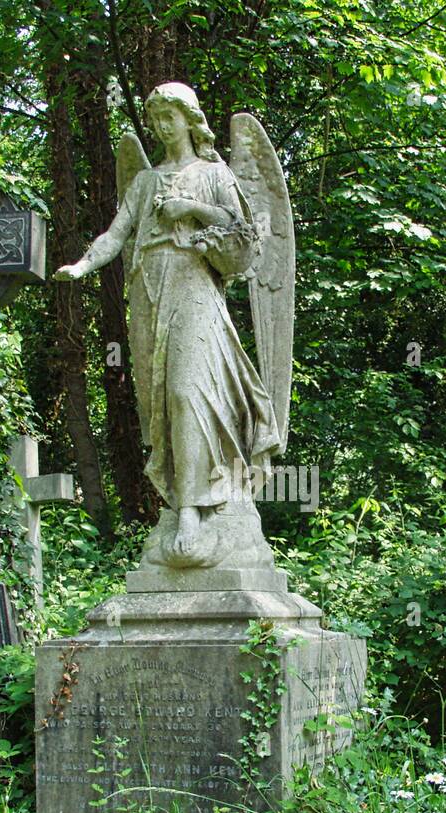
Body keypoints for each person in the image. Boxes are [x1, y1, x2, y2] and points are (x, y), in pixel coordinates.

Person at [55, 83, 280, 558]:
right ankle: (180, 501)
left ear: (189, 119)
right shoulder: (145, 182)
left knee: (186, 392)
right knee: (157, 402)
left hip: (194, 287)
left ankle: (195, 511)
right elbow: (115, 235)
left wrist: (192, 209)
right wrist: (83, 265)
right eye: (155, 119)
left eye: (169, 117)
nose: (161, 127)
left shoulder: (214, 173)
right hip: (150, 291)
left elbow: (245, 240)